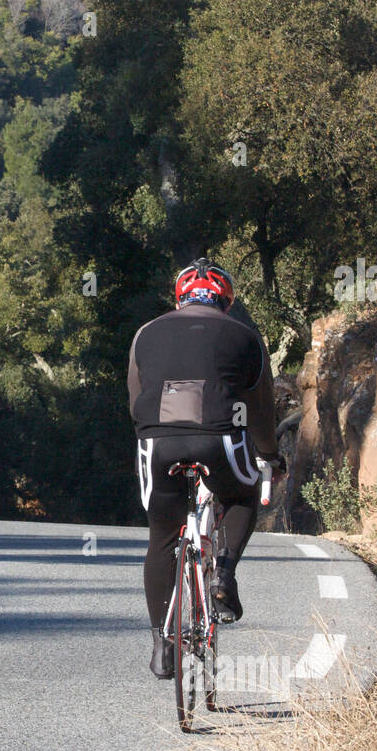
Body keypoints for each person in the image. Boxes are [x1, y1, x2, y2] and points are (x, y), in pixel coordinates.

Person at [127, 258, 285, 679]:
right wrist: (270, 455)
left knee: (162, 537)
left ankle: (162, 644)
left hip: (157, 439)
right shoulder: (246, 337)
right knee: (242, 494)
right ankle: (224, 576)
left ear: (179, 298)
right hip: (219, 434)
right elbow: (261, 411)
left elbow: (134, 400)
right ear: (226, 302)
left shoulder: (145, 333)